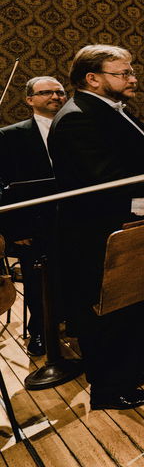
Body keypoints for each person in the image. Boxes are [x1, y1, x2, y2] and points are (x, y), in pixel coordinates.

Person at [48, 45, 144, 411]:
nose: (132, 78)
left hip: (129, 224)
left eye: (130, 71)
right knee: (111, 313)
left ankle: (142, 359)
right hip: (98, 233)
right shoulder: (78, 116)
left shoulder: (108, 110)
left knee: (140, 298)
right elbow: (104, 179)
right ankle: (110, 389)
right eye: (123, 73)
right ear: (93, 78)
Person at [0, 76, 67, 357]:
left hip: (75, 220)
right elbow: (4, 185)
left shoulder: (77, 130)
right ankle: (40, 331)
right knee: (37, 281)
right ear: (30, 99)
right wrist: (17, 229)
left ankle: (72, 325)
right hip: (34, 224)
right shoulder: (10, 135)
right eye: (46, 92)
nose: (55, 96)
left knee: (74, 277)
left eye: (60, 92)